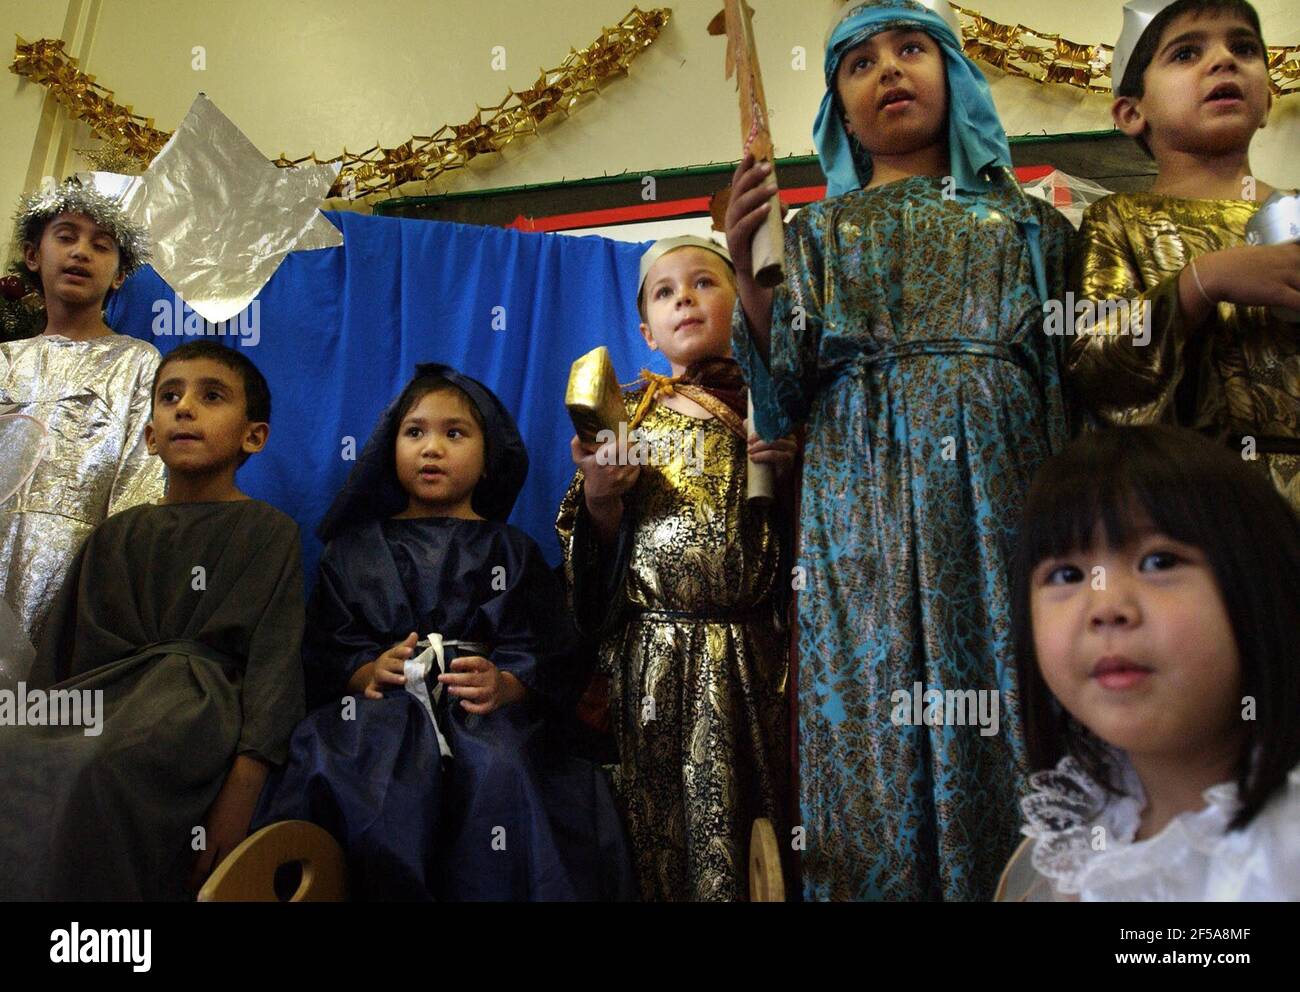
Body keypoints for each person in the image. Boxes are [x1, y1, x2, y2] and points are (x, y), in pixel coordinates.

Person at [724, 0, 1076, 900]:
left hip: (1001, 490)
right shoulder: (813, 238)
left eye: (911, 49)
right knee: (873, 696)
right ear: (840, 111)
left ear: (951, 74)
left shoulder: (1030, 226)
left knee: (1007, 685)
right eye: (859, 63)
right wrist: (742, 262)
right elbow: (783, 384)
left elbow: (1066, 379)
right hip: (862, 499)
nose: (888, 71)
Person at [254, 364, 633, 901]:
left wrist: (506, 682)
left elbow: (547, 647)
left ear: (489, 458)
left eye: (454, 433)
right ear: (391, 448)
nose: (431, 448)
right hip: (381, 714)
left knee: (501, 772)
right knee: (342, 762)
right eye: (415, 432)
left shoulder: (510, 550)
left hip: (482, 717)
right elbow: (326, 645)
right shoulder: (352, 552)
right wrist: (364, 669)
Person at [0, 340, 304, 900]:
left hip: (196, 710)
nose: (185, 408)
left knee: (102, 764)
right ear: (149, 436)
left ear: (253, 436)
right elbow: (64, 662)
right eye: (170, 397)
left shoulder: (268, 531)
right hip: (108, 700)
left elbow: (276, 666)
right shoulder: (115, 534)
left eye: (211, 396)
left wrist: (244, 784)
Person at [557, 235, 795, 901]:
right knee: (660, 834)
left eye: (704, 283)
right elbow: (590, 569)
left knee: (757, 831)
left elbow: (817, 540)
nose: (683, 298)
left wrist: (793, 463)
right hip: (652, 663)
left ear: (743, 304)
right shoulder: (628, 417)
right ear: (647, 330)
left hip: (754, 656)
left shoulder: (771, 406)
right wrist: (602, 496)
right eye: (665, 292)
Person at [998, 425, 1300, 901]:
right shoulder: (1079, 839)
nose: (1105, 606)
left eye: (1159, 562)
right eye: (1067, 574)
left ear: (1264, 585)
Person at [1069, 0, 1300, 510]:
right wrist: (1201, 281)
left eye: (1243, 47)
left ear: (1267, 100)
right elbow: (1095, 368)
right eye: (1186, 53)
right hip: (1190, 503)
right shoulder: (1118, 219)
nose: (1223, 60)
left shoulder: (1296, 214)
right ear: (1132, 112)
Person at [0, 179, 164, 657]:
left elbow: (141, 483)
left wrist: (106, 581)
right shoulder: (5, 360)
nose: (81, 253)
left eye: (101, 245)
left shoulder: (139, 363)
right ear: (34, 255)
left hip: (79, 571)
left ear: (118, 275)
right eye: (66, 236)